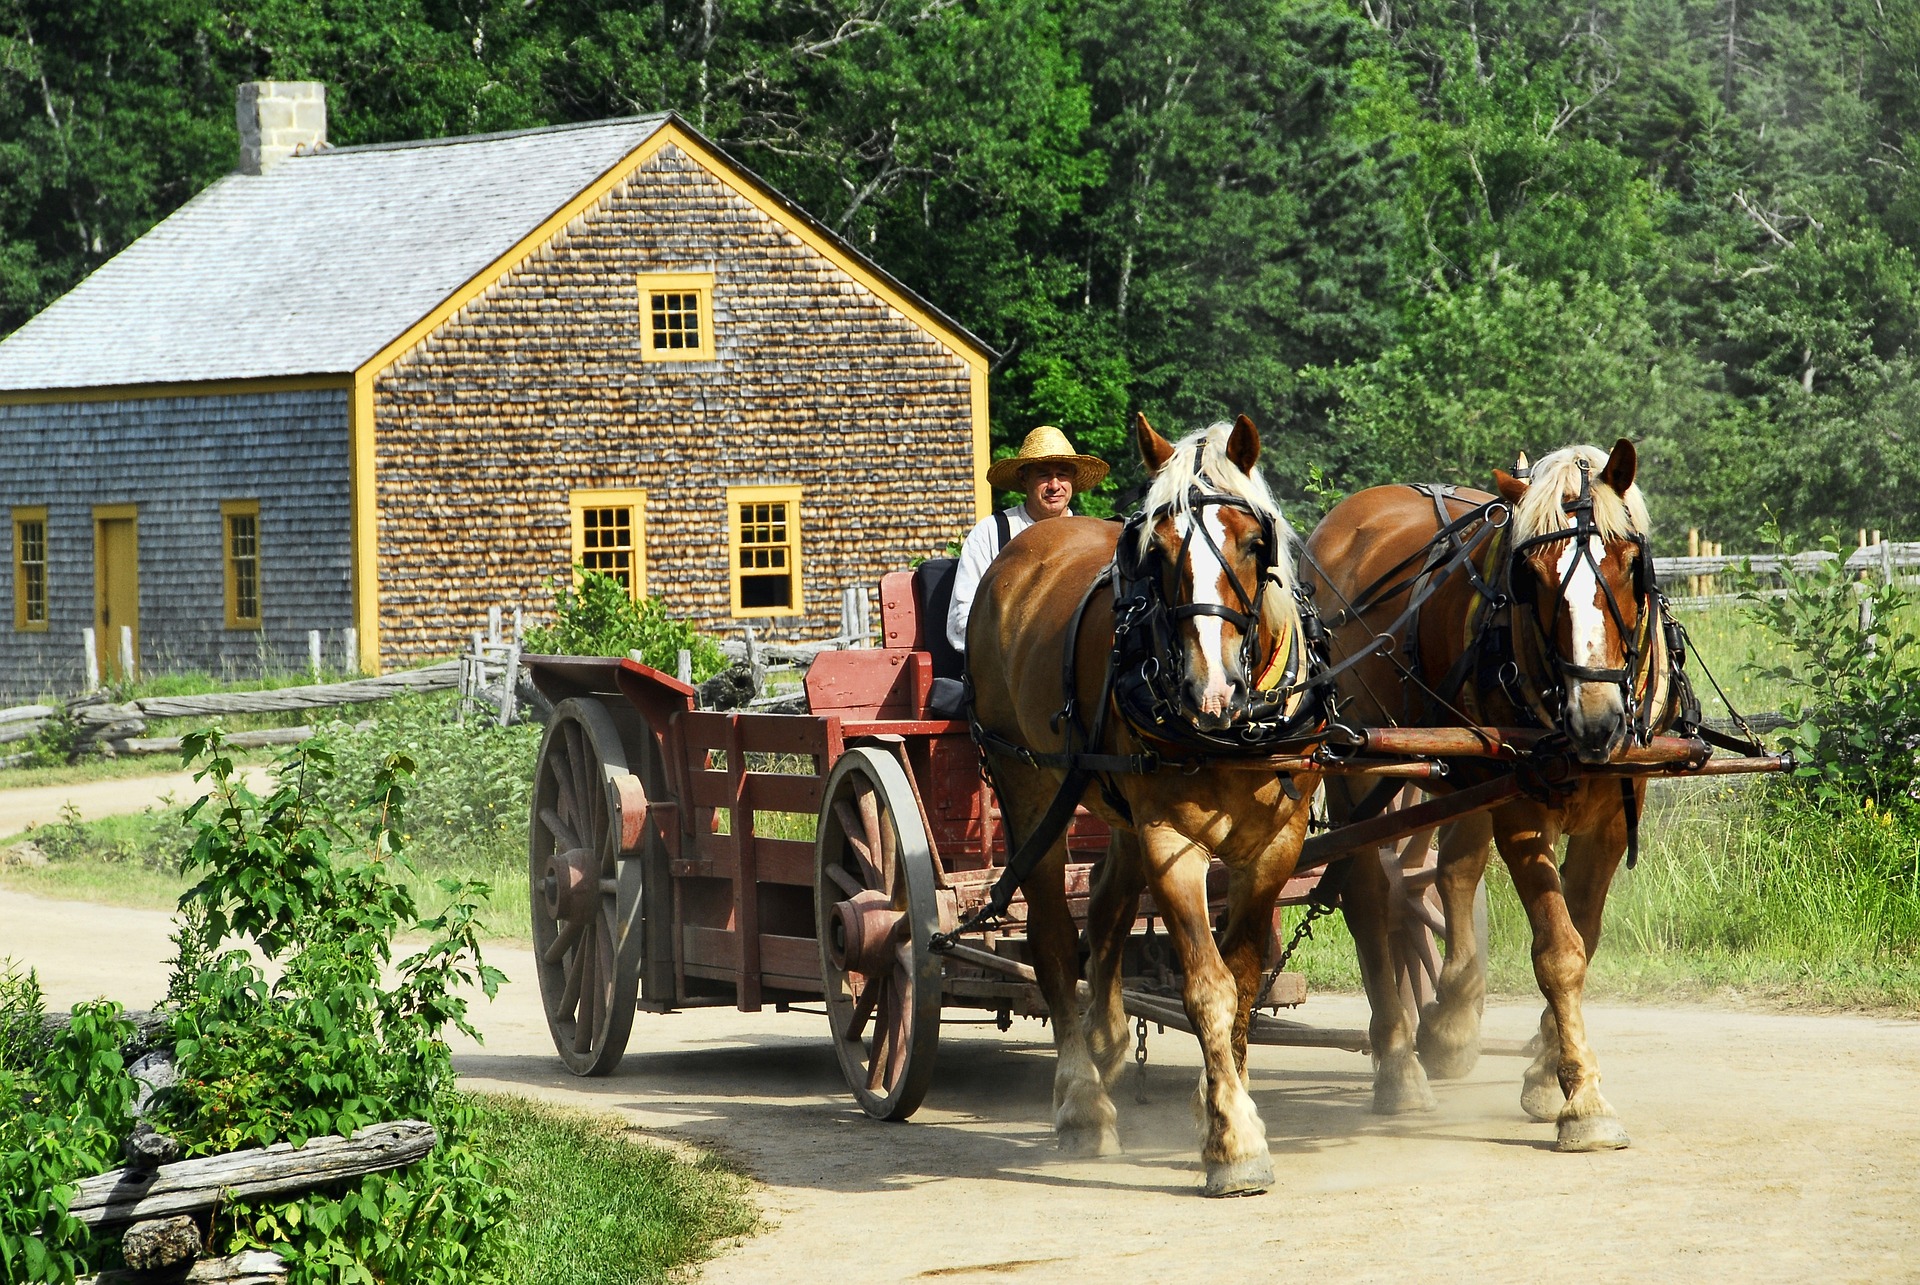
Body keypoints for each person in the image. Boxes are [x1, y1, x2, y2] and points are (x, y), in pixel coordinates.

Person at [947, 424, 1110, 654]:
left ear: (1073, 479)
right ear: (1024, 478)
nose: (1054, 485)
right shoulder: (991, 533)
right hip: (1006, 673)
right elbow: (962, 620)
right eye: (1044, 474)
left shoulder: (1092, 537)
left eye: (1062, 474)